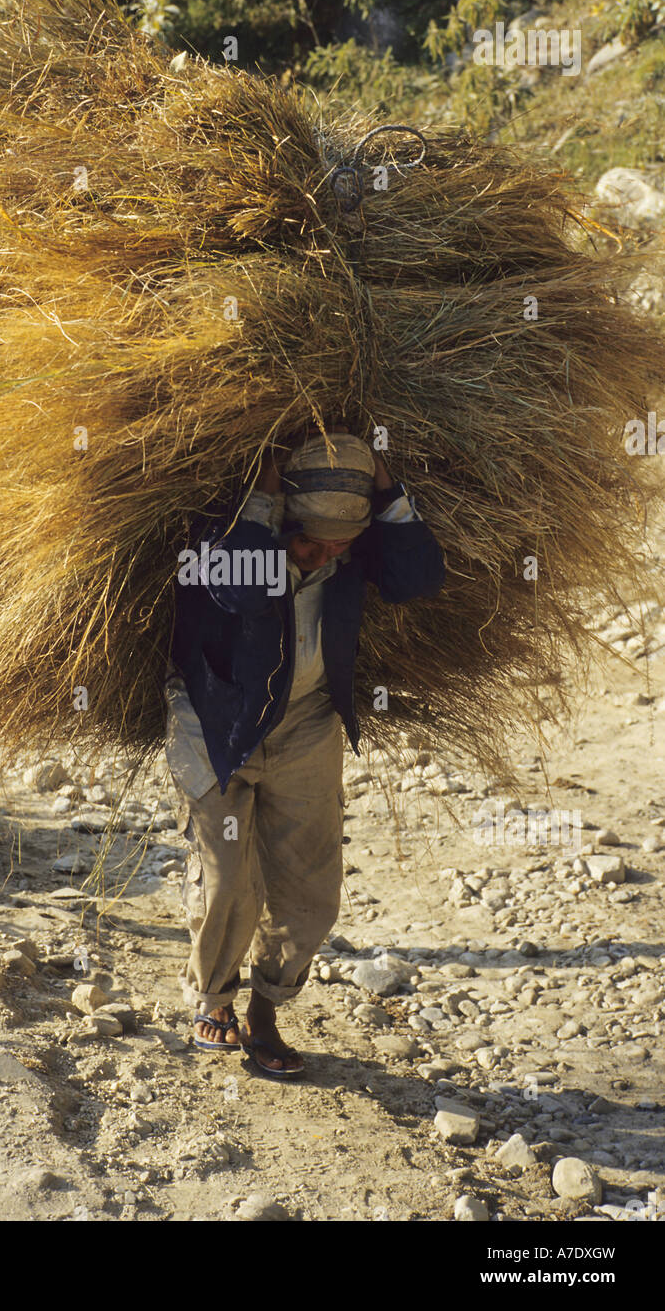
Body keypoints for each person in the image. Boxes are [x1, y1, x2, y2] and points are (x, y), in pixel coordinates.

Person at [164, 431, 445, 1078]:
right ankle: (214, 1000)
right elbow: (241, 593)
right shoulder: (222, 538)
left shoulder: (345, 550)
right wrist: (263, 502)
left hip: (307, 727)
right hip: (215, 723)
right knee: (227, 879)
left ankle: (267, 1010)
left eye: (339, 545)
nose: (324, 555)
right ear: (281, 515)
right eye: (310, 542)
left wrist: (381, 483)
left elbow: (419, 576)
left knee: (311, 891)